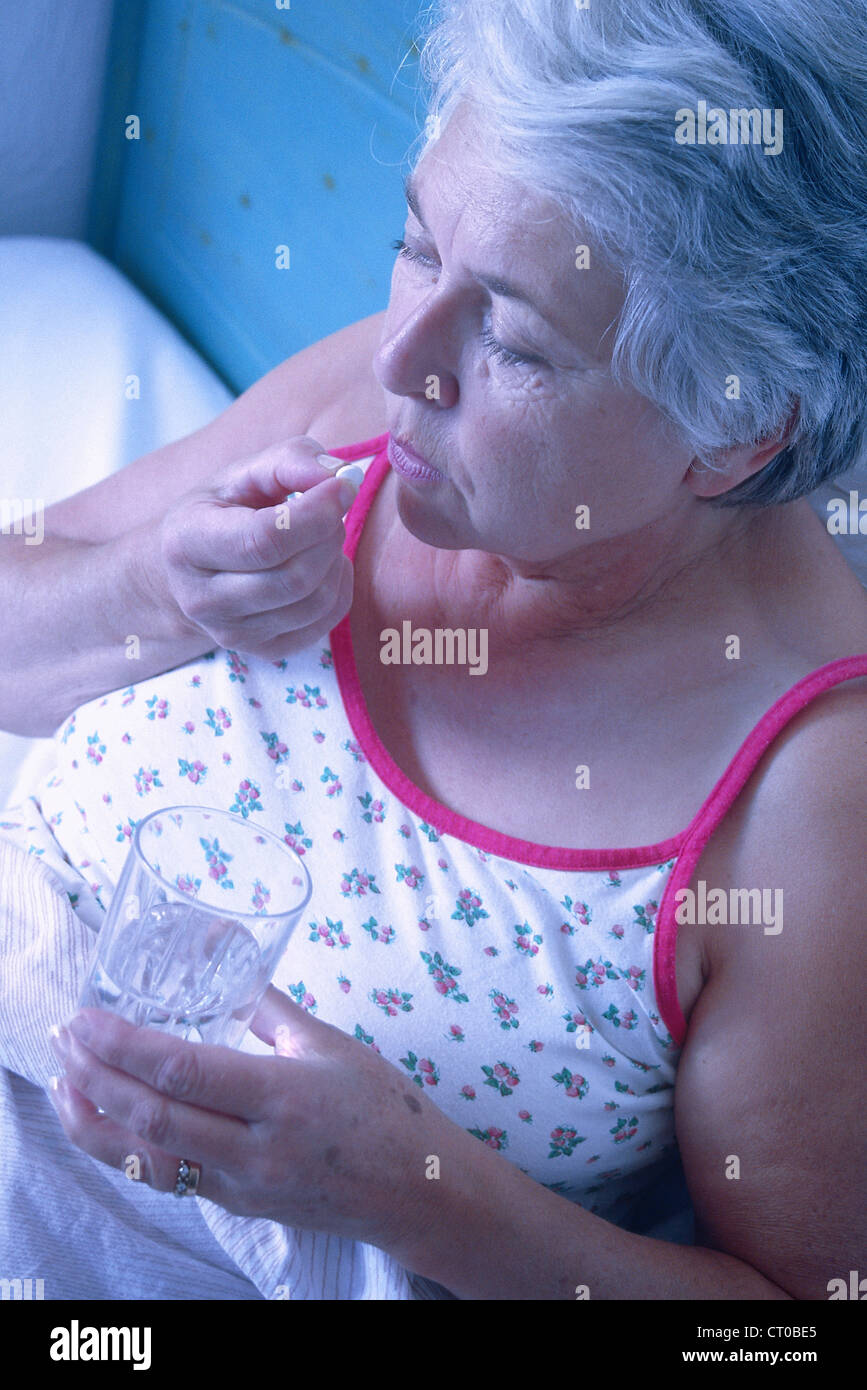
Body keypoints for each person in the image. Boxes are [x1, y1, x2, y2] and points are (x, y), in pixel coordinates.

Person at [2, 0, 866, 1300]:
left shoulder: (808, 796)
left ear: (735, 432)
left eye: (516, 343)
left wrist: (411, 1189)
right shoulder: (383, 393)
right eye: (414, 242)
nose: (405, 354)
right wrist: (160, 586)